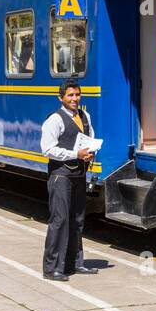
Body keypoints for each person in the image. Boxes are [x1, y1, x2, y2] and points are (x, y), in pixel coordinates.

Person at [39, 78, 98, 280]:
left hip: (79, 174)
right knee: (60, 220)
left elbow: (89, 138)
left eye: (77, 94)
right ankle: (52, 267)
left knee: (77, 219)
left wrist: (91, 152)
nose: (75, 98)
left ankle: (74, 262)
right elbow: (47, 149)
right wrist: (76, 155)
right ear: (61, 98)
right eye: (70, 95)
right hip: (61, 175)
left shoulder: (85, 115)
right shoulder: (54, 120)